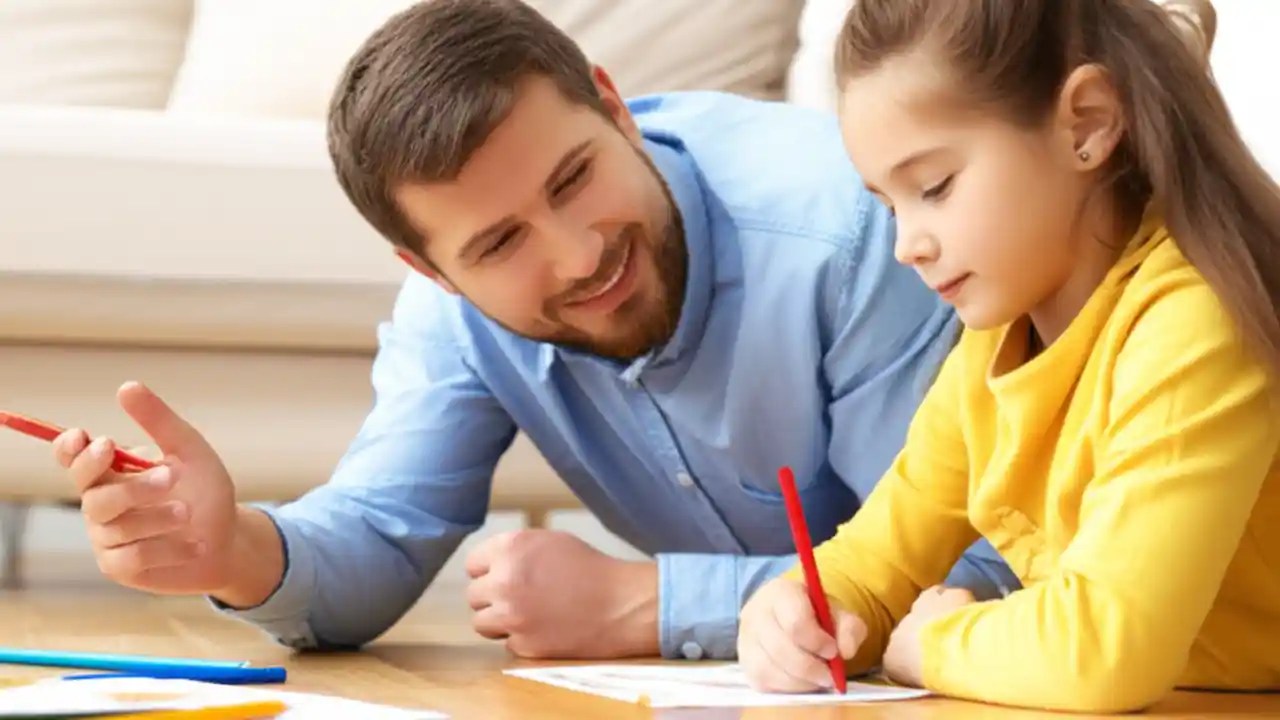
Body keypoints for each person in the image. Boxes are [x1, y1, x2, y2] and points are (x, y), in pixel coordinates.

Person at [49, 0, 1017, 662]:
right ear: (431, 273)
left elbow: (972, 570)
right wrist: (234, 548)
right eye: (501, 241)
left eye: (572, 179)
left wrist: (641, 607)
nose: (576, 254)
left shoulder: (851, 227)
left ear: (612, 106)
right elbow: (382, 537)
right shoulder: (454, 314)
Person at [738, 0, 1280, 714]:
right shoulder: (995, 346)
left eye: (934, 187)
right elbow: (874, 562)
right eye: (891, 206)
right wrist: (792, 615)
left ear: (1087, 123)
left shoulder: (1194, 318)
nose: (907, 246)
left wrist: (931, 644)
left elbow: (1104, 652)